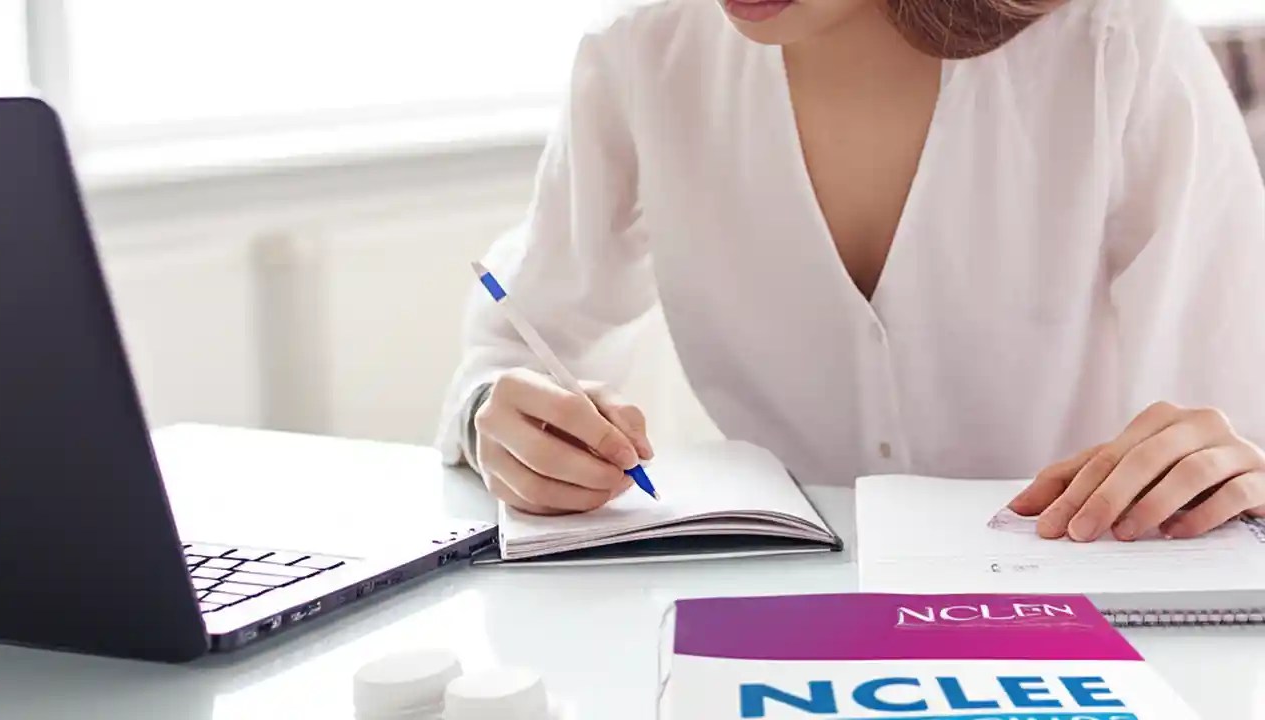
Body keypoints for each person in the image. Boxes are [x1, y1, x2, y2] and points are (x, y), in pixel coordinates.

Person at [435, 0, 1265, 544]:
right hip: (775, 609)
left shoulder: (1114, 41)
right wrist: (494, 419)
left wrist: (1232, 468)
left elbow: (1234, 420)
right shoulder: (641, 55)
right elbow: (519, 338)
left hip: (1074, 602)